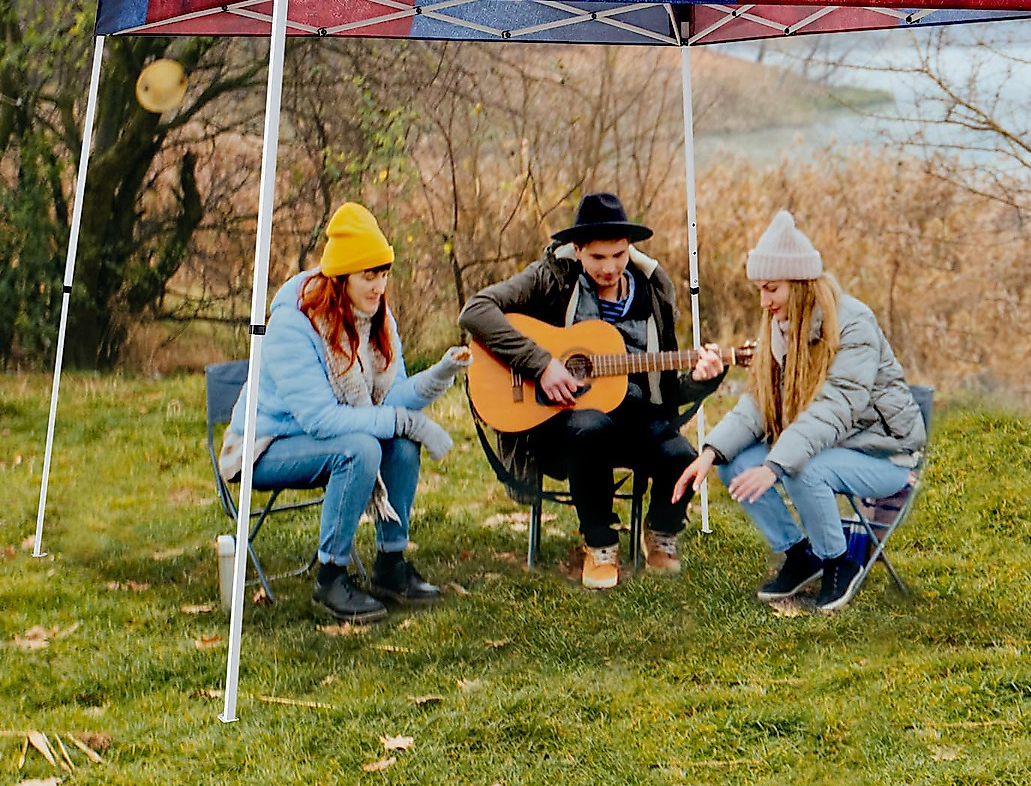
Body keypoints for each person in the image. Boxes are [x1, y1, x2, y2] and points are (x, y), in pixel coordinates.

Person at [219, 202, 471, 623]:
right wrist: (402, 421)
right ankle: (330, 576)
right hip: (262, 447)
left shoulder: (376, 317)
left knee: (401, 444)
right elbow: (322, 419)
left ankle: (391, 565)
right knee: (361, 448)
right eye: (368, 276)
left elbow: (391, 400)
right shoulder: (294, 324)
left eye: (384, 274)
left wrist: (442, 372)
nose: (379, 286)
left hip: (323, 439)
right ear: (341, 278)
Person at [459, 192, 725, 589]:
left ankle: (660, 529)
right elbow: (475, 311)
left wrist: (704, 380)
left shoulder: (652, 293)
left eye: (619, 255)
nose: (610, 267)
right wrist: (543, 364)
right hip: (563, 427)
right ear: (577, 250)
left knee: (679, 455)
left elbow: (667, 391)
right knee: (591, 427)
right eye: (598, 258)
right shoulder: (550, 278)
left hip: (636, 417)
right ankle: (600, 544)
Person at [673, 210, 926, 612]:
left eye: (771, 289)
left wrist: (774, 466)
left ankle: (838, 560)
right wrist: (709, 453)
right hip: (826, 444)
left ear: (802, 284)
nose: (763, 301)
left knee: (802, 467)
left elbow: (834, 409)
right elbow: (759, 403)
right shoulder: (782, 326)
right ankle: (799, 553)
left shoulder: (853, 325)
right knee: (735, 462)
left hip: (881, 454)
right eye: (760, 289)